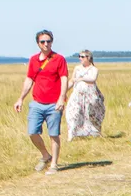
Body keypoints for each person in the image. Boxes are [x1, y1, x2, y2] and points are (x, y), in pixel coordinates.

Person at [13, 29, 70, 174]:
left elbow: (64, 79)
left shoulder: (59, 59)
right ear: (38, 43)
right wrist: (20, 98)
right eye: (42, 42)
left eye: (48, 41)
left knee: (54, 134)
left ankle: (54, 165)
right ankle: (45, 155)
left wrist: (61, 98)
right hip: (37, 102)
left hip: (54, 104)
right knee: (32, 132)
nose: (46, 44)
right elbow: (29, 80)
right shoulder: (33, 60)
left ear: (52, 42)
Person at [64, 50, 106, 140]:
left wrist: (81, 79)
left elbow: (92, 79)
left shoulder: (94, 69)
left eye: (82, 57)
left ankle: (92, 133)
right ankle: (71, 135)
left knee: (90, 115)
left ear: (89, 58)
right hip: (77, 95)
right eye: (79, 56)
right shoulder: (77, 68)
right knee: (73, 113)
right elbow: (72, 80)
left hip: (90, 96)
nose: (80, 58)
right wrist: (63, 91)